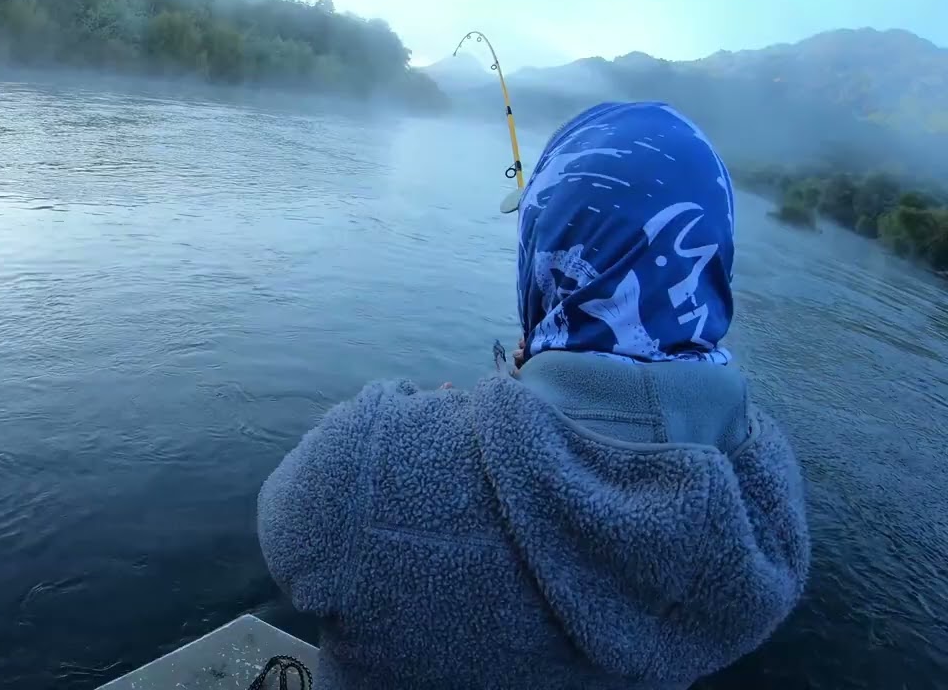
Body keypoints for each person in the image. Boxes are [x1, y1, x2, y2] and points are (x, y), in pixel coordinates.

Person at [256, 101, 811, 690]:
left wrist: (415, 416)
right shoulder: (763, 496)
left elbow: (284, 531)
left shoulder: (376, 457)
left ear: (547, 246)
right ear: (713, 255)